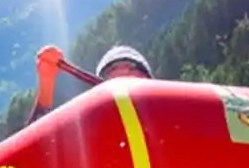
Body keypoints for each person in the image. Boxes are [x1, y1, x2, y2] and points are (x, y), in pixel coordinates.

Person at [25, 44, 154, 127]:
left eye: (132, 68)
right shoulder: (86, 131)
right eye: (112, 69)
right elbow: (34, 153)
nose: (124, 72)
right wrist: (46, 83)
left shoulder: (169, 111)